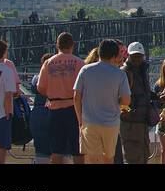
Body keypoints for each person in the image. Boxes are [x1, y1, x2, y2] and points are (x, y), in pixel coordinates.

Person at [72, 39, 131, 165]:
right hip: (111, 123)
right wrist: (118, 105)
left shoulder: (85, 70)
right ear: (115, 55)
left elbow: (76, 97)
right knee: (109, 158)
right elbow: (126, 100)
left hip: (89, 122)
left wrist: (80, 120)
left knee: (92, 159)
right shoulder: (120, 74)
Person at [37, 36, 85, 165]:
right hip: (74, 109)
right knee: (78, 149)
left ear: (57, 45)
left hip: (55, 108)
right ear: (72, 45)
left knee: (56, 149)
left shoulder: (48, 63)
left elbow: (40, 87)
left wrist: (52, 93)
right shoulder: (79, 63)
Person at [118, 42, 158, 164]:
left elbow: (144, 93)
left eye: (139, 56)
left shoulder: (141, 71)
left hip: (142, 121)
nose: (137, 59)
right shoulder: (125, 72)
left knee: (143, 156)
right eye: (134, 56)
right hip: (130, 122)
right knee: (132, 157)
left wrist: (157, 97)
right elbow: (120, 98)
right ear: (128, 56)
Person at [30, 52, 53, 164]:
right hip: (53, 113)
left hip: (38, 114)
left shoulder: (36, 78)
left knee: (41, 149)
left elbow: (35, 87)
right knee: (60, 148)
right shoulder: (57, 79)